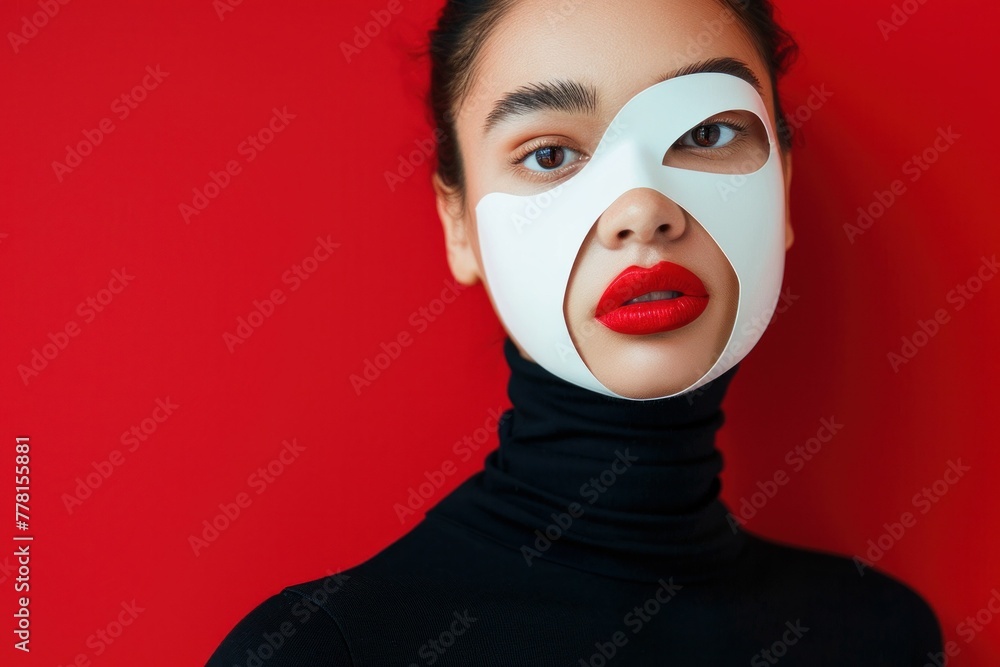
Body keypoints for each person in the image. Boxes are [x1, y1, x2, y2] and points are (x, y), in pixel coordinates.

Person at [206, 0, 944, 663]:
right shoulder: (319, 651)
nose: (642, 208)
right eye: (550, 155)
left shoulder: (879, 633)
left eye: (708, 132)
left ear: (781, 187)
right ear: (458, 226)